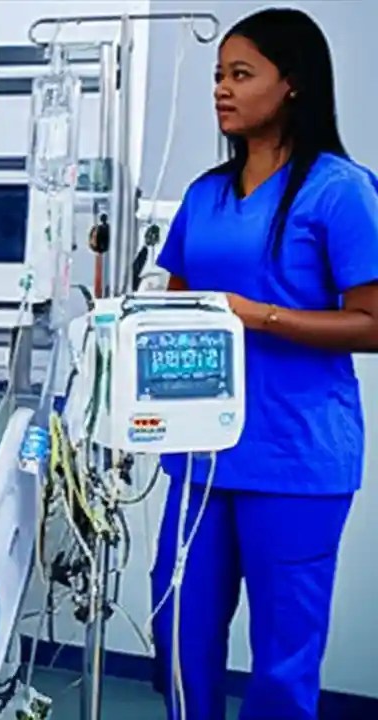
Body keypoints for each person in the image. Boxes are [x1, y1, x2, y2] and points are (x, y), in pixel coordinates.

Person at [152, 8, 378, 720]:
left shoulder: (340, 191)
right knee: (177, 629)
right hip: (201, 456)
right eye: (219, 74)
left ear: (293, 85)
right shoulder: (204, 196)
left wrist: (257, 314)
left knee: (283, 656)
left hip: (296, 455)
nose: (221, 88)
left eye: (241, 74)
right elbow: (175, 307)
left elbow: (373, 324)